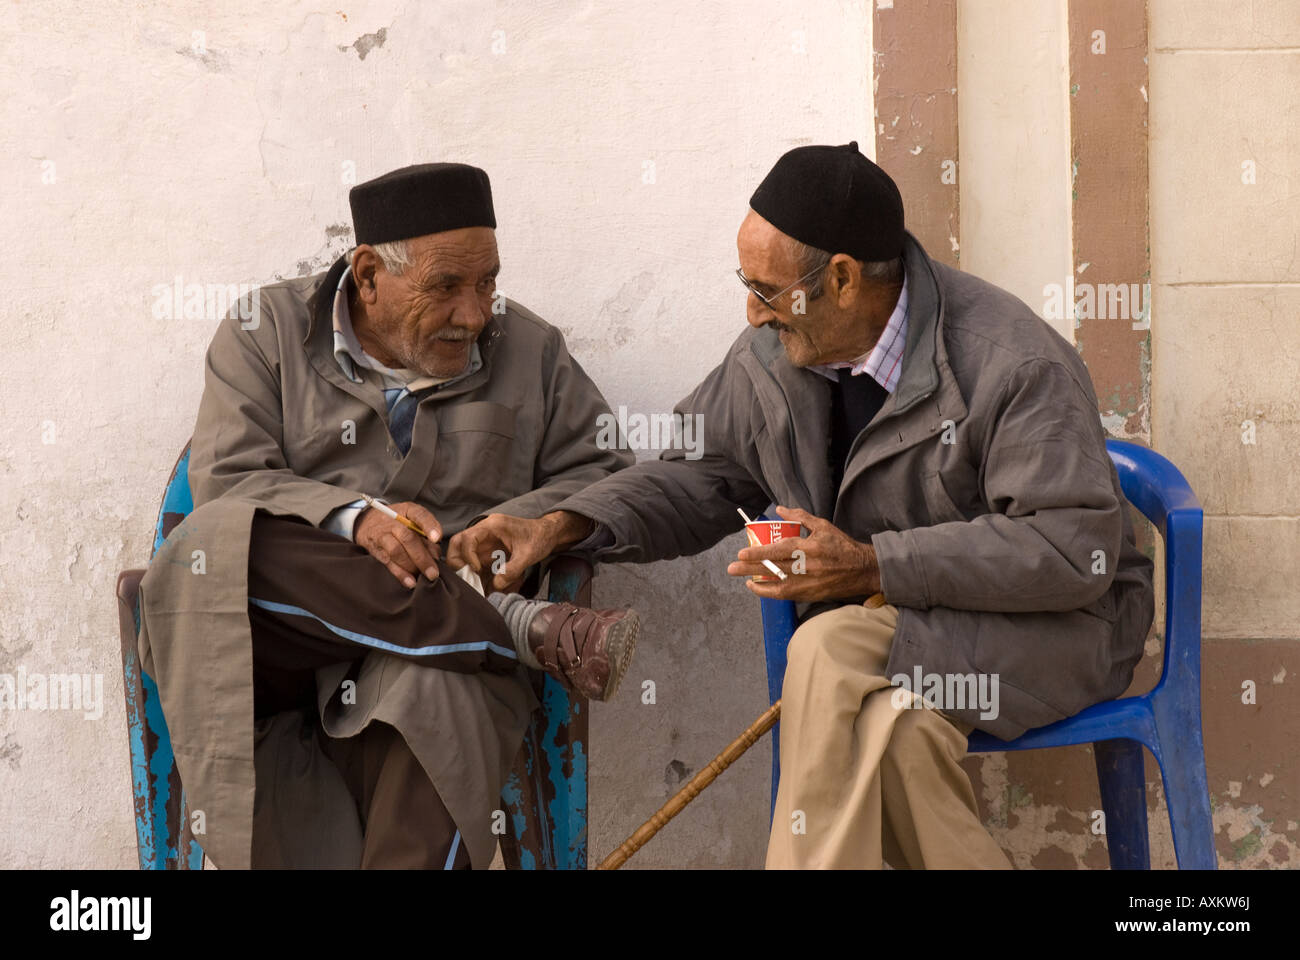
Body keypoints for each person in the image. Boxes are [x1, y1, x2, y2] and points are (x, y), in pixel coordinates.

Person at [449, 143, 1156, 869]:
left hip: (1057, 630)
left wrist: (872, 566)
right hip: (909, 641)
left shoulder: (1009, 363)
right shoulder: (772, 357)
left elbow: (1074, 552)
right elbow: (700, 477)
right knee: (893, 732)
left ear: (844, 279)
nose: (751, 313)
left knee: (825, 645)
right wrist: (564, 523)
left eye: (764, 289)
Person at [136, 162, 638, 870]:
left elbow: (607, 474)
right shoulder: (263, 333)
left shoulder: (530, 350)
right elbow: (226, 482)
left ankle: (470, 628)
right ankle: (501, 624)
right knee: (209, 548)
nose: (473, 314)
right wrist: (352, 519)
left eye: (488, 283)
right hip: (278, 644)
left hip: (433, 668)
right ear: (368, 274)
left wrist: (537, 525)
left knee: (440, 704)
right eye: (445, 287)